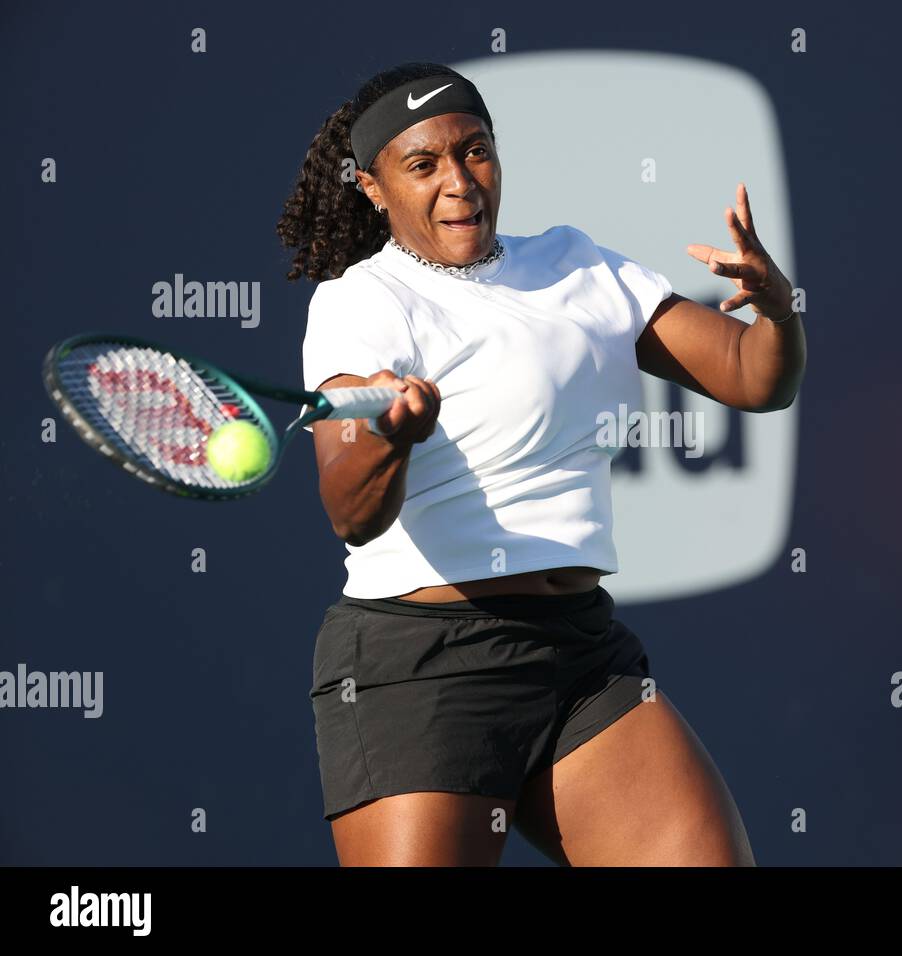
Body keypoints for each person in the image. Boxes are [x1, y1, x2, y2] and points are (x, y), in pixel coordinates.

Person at [275, 62, 805, 865]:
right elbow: (351, 510)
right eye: (423, 165)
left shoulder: (578, 265)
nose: (459, 182)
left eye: (474, 151)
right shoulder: (362, 303)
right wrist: (393, 434)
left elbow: (755, 377)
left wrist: (777, 308)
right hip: (422, 668)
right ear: (373, 189)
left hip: (578, 659)